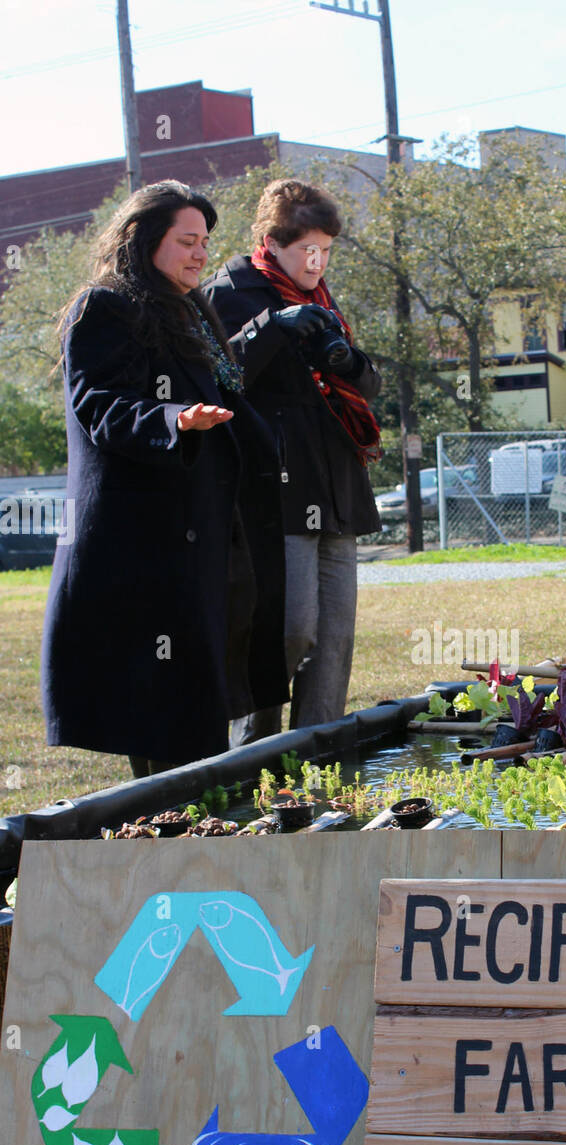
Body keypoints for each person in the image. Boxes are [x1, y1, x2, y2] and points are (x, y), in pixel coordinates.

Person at [41, 181, 288, 777]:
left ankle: (194, 822)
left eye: (205, 242)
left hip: (206, 534)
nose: (201, 254)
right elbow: (99, 404)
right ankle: (164, 833)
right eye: (187, 240)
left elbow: (234, 404)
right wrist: (173, 419)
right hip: (141, 544)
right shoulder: (105, 307)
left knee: (200, 694)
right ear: (144, 238)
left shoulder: (194, 314)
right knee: (157, 706)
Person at [202, 178, 382, 743]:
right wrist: (269, 328)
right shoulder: (228, 290)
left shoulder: (322, 296)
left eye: (326, 249)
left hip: (336, 484)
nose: (317, 260)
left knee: (333, 640)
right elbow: (216, 378)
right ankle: (249, 755)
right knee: (291, 629)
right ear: (270, 241)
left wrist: (350, 362)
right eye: (307, 249)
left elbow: (366, 386)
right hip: (272, 490)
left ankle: (316, 765)